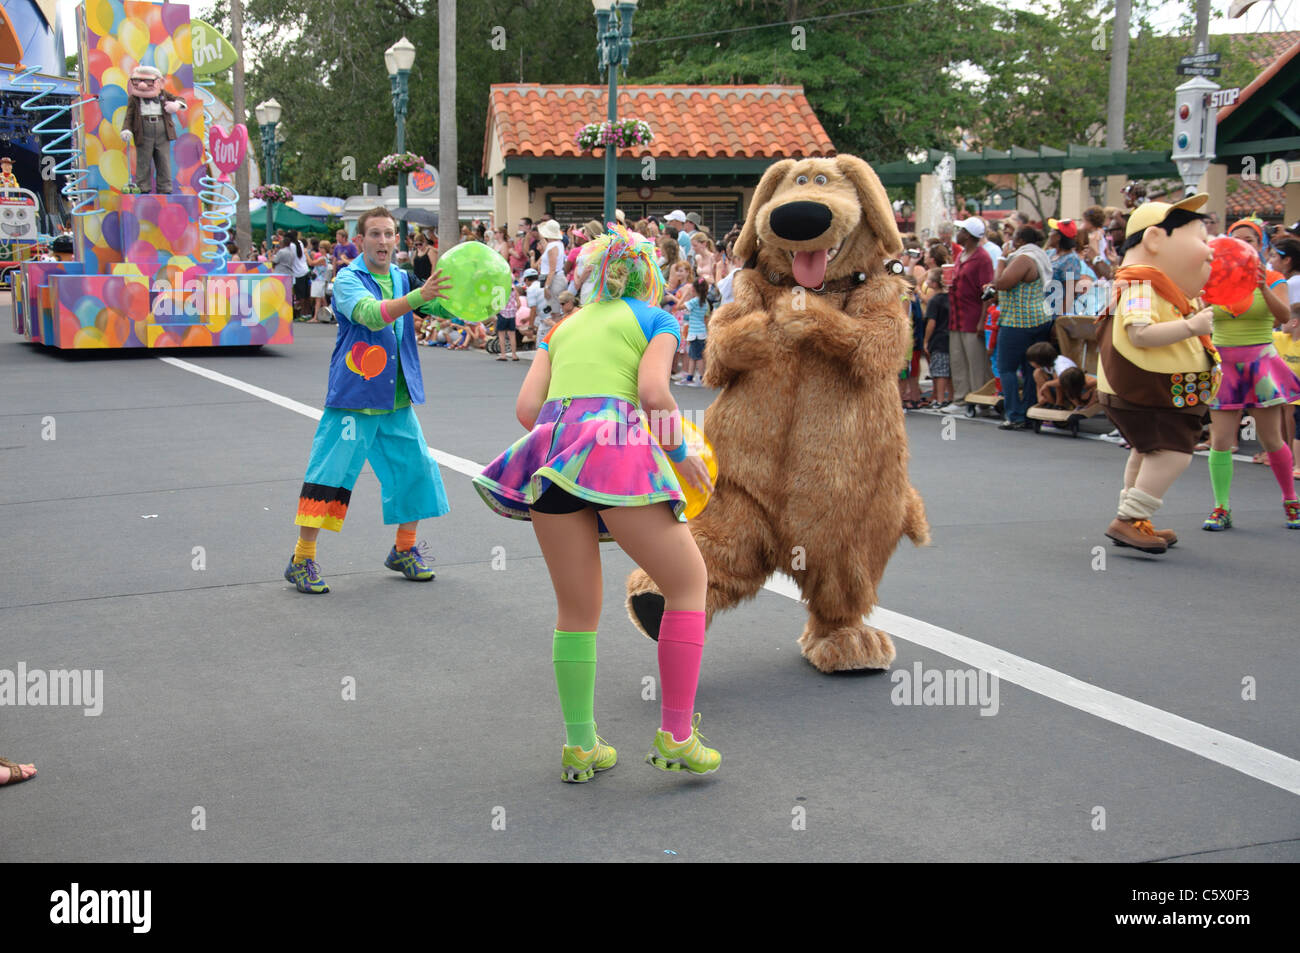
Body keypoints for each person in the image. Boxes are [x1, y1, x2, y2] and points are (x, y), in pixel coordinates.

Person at [471, 224, 720, 782]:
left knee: (576, 611)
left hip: (550, 454)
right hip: (615, 453)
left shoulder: (562, 327)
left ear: (592, 276)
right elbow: (655, 393)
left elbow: (527, 408)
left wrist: (577, 419)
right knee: (687, 585)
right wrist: (680, 452)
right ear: (649, 276)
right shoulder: (656, 319)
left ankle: (581, 747)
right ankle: (677, 736)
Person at [284, 207, 453, 593]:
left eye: (388, 234)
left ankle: (404, 549)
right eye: (374, 234)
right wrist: (418, 297)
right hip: (354, 397)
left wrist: (472, 295)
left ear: (397, 239)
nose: (382, 241)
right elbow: (370, 315)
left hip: (395, 399)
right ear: (361, 241)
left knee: (417, 470)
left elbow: (440, 307)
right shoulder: (348, 279)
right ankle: (302, 558)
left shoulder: (401, 277)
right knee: (330, 477)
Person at [1096, 195, 1217, 554]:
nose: (1209, 252)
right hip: (1149, 391)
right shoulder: (1141, 286)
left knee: (1147, 450)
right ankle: (1129, 520)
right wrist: (1193, 327)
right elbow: (1140, 335)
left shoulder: (1154, 286)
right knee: (1173, 452)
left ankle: (1135, 518)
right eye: (1201, 239)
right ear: (1154, 239)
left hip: (1156, 390)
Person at [1201, 217, 1300, 532]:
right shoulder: (1212, 278)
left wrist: (1259, 286)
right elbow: (1197, 315)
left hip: (1259, 364)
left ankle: (1290, 500)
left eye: (1251, 240)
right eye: (1236, 239)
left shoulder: (1272, 278)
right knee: (1219, 441)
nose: (1244, 245)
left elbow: (1284, 316)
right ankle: (1221, 508)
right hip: (1224, 365)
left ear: (1262, 246)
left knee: (1271, 439)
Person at [990, 225, 1055, 429]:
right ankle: (1028, 411)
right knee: (1029, 368)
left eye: (1011, 237)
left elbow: (1001, 283)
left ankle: (1015, 414)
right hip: (1039, 319)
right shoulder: (1040, 255)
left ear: (1019, 240)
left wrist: (1001, 258)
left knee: (1007, 368)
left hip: (1018, 321)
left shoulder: (1024, 258)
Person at [942, 216, 994, 412]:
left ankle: (980, 398)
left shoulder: (982, 258)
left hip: (973, 317)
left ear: (970, 236)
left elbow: (987, 292)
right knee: (958, 359)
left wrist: (983, 320)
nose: (959, 233)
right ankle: (961, 398)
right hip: (957, 316)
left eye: (962, 230)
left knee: (976, 361)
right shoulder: (961, 254)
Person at [922, 266, 952, 408]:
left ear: (934, 284)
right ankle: (950, 397)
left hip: (938, 338)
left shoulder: (934, 301)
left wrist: (926, 340)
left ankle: (939, 399)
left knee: (939, 371)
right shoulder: (950, 298)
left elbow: (931, 322)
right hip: (950, 337)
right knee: (950, 371)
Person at [1026, 339, 1077, 406]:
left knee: (1056, 376)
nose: (1030, 363)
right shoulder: (1044, 366)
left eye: (1032, 361)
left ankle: (1060, 403)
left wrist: (1047, 384)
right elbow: (1038, 384)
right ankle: (1051, 402)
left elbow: (1063, 380)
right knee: (1037, 373)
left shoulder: (1060, 363)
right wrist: (1039, 395)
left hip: (1073, 386)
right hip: (1057, 385)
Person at [680, 277, 711, 386]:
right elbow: (706, 318)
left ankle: (701, 379)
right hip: (700, 332)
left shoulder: (694, 301)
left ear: (693, 289)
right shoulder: (705, 302)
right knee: (694, 356)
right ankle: (690, 377)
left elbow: (679, 306)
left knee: (698, 357)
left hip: (695, 333)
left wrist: (685, 295)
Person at [496, 283, 521, 361]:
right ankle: (514, 354)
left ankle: (503, 355)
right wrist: (514, 310)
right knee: (512, 335)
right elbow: (519, 303)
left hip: (502, 313)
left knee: (501, 335)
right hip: (512, 314)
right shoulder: (513, 288)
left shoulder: (500, 288)